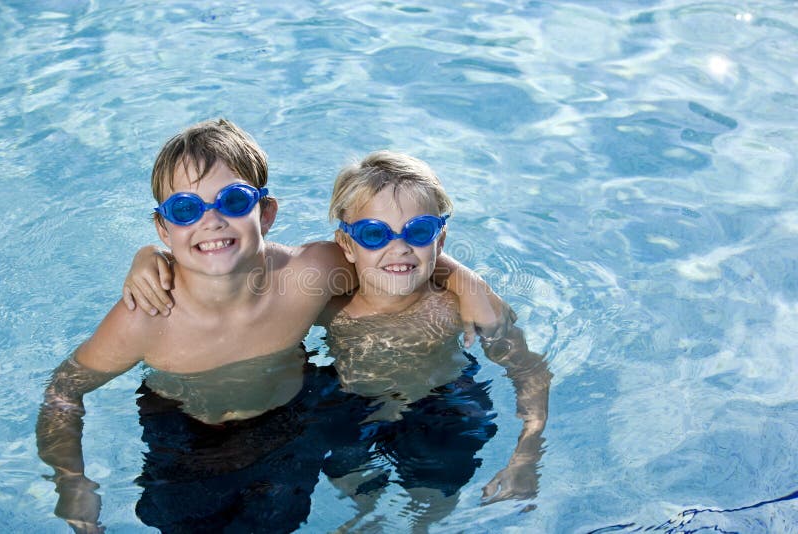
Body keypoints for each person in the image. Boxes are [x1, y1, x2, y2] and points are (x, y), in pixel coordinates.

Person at [36, 120, 508, 533]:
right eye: (185, 210)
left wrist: (466, 281)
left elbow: (390, 253)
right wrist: (70, 482)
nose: (212, 220)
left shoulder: (308, 275)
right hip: (185, 440)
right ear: (163, 229)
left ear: (266, 213)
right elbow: (64, 390)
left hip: (289, 426)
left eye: (233, 200)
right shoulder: (147, 316)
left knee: (278, 520)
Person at [126, 150, 551, 528]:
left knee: (436, 489)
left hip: (443, 401)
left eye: (418, 232)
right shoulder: (329, 302)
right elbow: (236, 280)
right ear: (347, 244)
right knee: (350, 477)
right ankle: (366, 519)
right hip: (353, 402)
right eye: (373, 234)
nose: (398, 247)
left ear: (439, 239)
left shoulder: (459, 306)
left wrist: (527, 453)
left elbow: (528, 369)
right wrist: (151, 257)